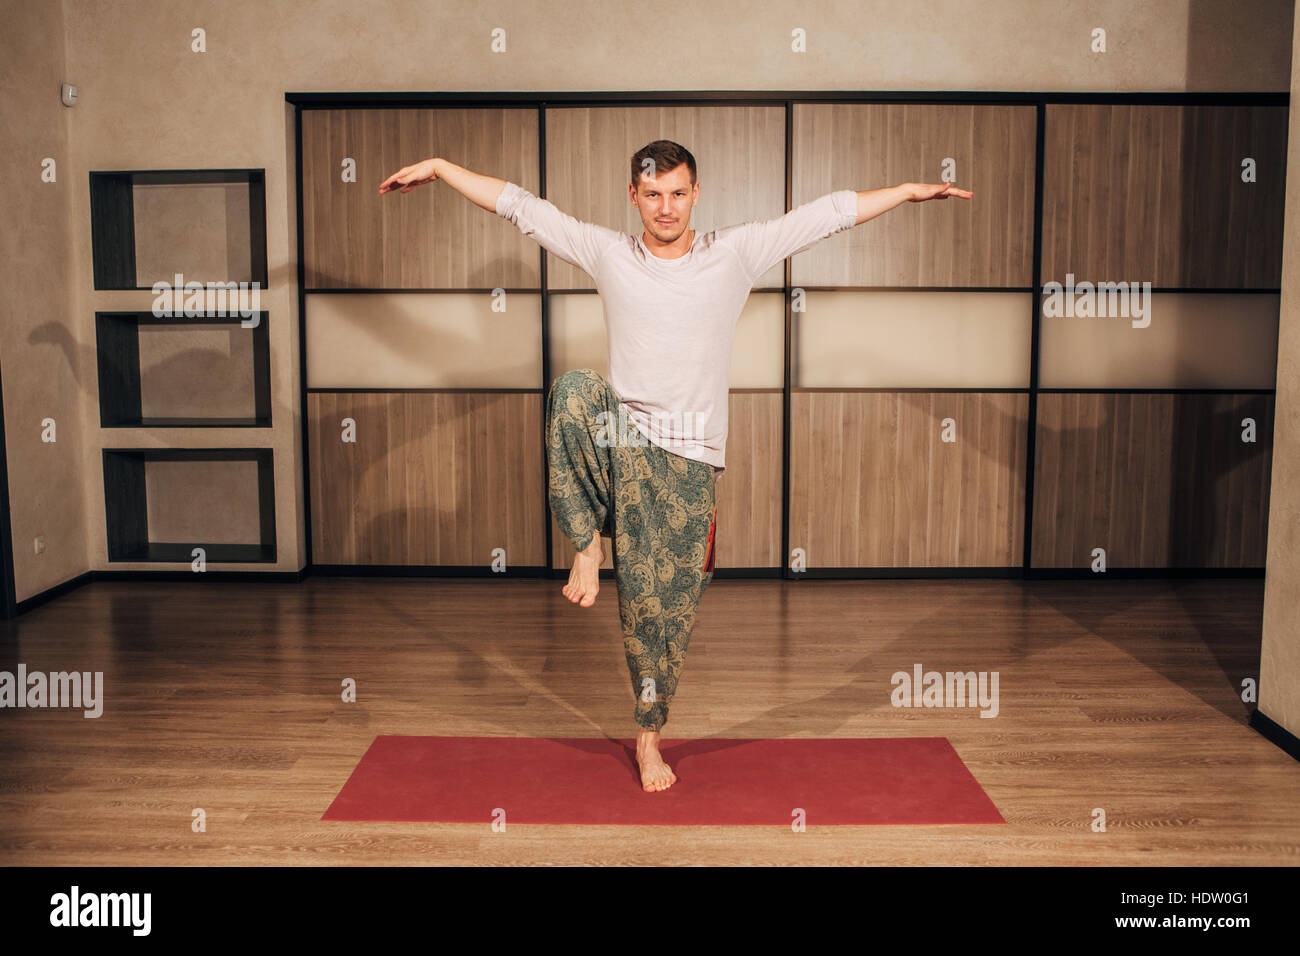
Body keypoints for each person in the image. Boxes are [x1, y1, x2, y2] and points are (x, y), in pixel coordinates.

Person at [379, 141, 971, 792]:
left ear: (696, 193)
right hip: (623, 437)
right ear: (633, 196)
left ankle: (648, 735)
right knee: (573, 390)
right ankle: (585, 544)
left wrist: (909, 193)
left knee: (659, 618)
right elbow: (521, 207)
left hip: (689, 463)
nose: (667, 206)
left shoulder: (733, 253)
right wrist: (439, 168)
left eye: (679, 193)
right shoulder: (610, 253)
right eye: (653, 194)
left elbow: (827, 213)